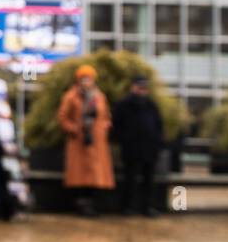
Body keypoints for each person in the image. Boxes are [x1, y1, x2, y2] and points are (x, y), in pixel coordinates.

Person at [57, 64, 114, 216]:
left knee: (95, 174)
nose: (86, 82)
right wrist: (74, 129)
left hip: (97, 142)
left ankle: (91, 204)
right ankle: (82, 205)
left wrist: (104, 127)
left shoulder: (99, 96)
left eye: (89, 79)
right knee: (80, 174)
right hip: (79, 141)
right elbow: (63, 118)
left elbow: (106, 115)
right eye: (84, 79)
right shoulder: (71, 96)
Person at [112, 76, 165, 217]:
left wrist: (157, 142)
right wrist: (124, 140)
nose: (142, 90)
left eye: (144, 87)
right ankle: (127, 207)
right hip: (131, 148)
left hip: (149, 148)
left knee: (149, 180)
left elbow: (158, 125)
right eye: (139, 87)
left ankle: (147, 207)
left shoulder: (151, 104)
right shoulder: (123, 104)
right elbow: (116, 126)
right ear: (133, 87)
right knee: (130, 179)